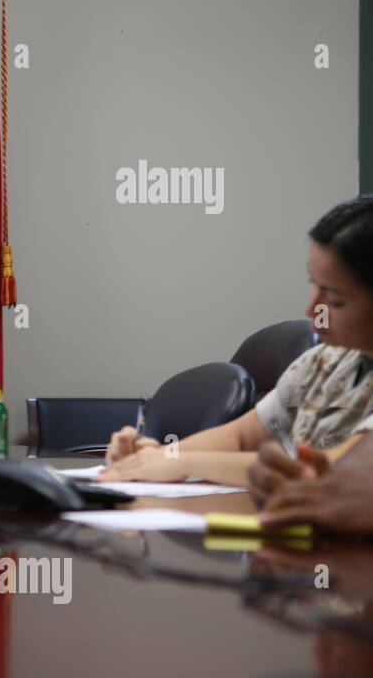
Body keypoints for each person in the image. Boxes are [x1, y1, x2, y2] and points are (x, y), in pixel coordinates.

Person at [102, 195, 373, 487]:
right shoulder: (323, 362)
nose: (312, 309)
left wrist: (181, 462)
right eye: (313, 284)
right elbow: (240, 436)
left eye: (334, 298)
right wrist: (152, 455)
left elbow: (339, 471)